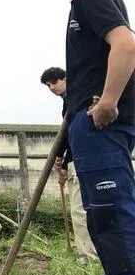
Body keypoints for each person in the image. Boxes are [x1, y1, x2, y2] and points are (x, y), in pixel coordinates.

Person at [28, 0, 135, 275]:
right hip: (86, 126)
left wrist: (108, 101)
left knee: (111, 207)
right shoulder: (81, 3)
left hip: (102, 123)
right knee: (100, 211)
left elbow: (126, 43)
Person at [40, 66, 97, 263]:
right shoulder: (71, 102)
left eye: (55, 82)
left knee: (80, 211)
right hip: (82, 159)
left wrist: (63, 161)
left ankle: (88, 258)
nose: (52, 88)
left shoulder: (75, 101)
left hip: (81, 161)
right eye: (48, 85)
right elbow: (68, 137)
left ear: (65, 79)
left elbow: (72, 135)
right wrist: (62, 160)